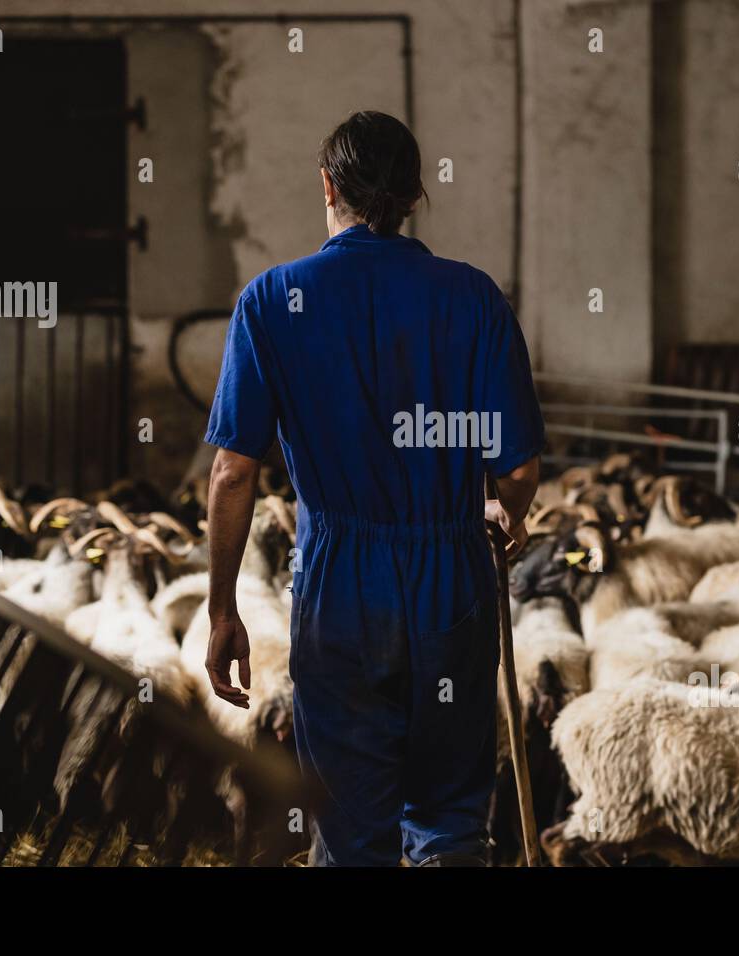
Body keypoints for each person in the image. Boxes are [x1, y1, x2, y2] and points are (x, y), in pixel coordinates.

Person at [202, 110, 543, 866]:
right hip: (452, 586)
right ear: (416, 195)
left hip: (340, 593)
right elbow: (518, 468)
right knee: (453, 825)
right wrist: (497, 514)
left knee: (352, 832)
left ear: (327, 186)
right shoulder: (473, 298)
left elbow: (233, 471)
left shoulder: (271, 301)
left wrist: (224, 608)